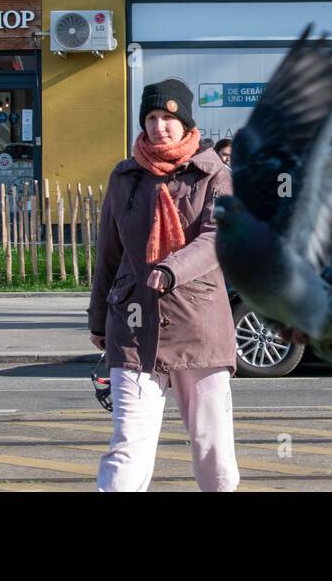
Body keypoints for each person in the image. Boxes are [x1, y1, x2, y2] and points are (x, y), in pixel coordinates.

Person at [88, 79, 240, 491]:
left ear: (186, 122)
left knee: (213, 449)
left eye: (169, 118)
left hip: (199, 326)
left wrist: (172, 269)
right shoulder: (125, 178)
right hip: (134, 327)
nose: (159, 127)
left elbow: (217, 238)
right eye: (152, 118)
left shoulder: (214, 175)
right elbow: (110, 251)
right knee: (128, 445)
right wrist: (99, 317)